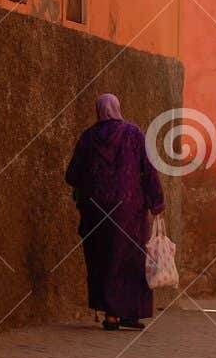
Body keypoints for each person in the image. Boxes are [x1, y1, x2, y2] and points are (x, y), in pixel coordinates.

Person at [65, 93, 166, 331]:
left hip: (96, 211)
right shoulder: (133, 134)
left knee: (103, 259)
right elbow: (148, 170)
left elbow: (72, 175)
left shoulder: (88, 138)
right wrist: (157, 202)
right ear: (117, 108)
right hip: (129, 211)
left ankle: (111, 315)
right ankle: (129, 313)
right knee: (129, 260)